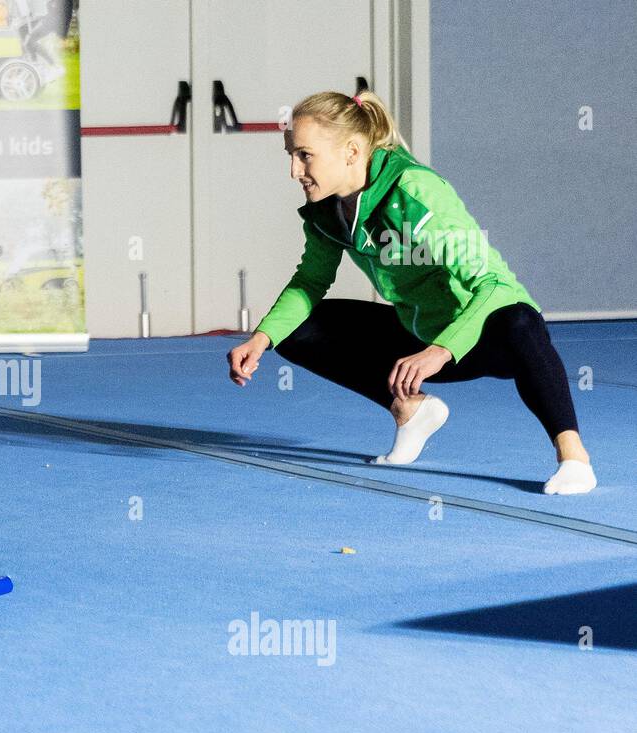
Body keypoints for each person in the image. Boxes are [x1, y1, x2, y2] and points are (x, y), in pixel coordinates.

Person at [226, 92, 595, 495]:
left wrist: (440, 350)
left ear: (351, 151)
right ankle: (409, 410)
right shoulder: (324, 211)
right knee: (298, 328)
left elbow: (497, 286)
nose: (294, 170)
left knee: (521, 318)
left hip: (474, 339)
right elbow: (310, 282)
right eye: (290, 156)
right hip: (413, 336)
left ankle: (573, 456)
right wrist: (261, 339)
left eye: (304, 155)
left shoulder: (414, 189)